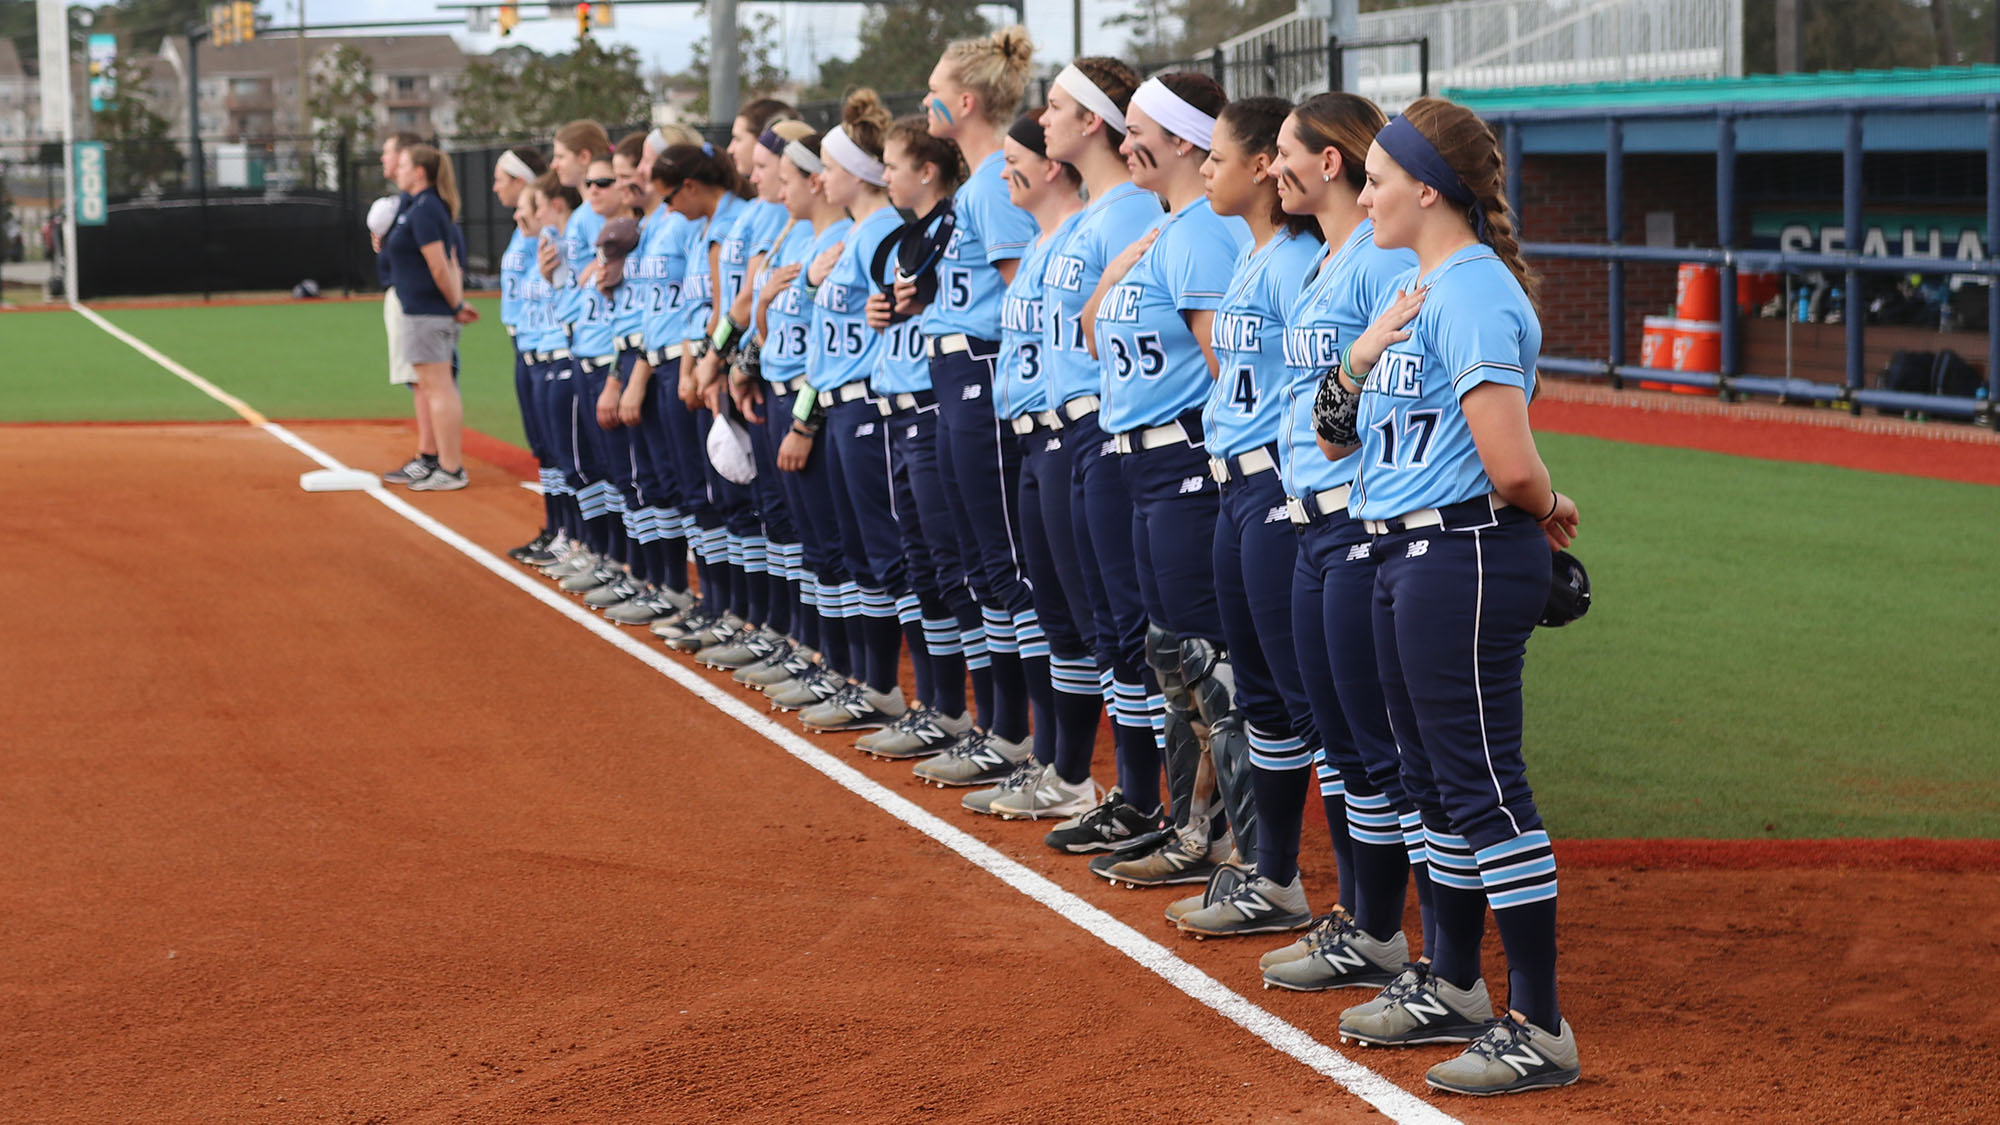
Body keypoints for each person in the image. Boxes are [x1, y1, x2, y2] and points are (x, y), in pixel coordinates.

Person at [1324, 96, 1581, 1096]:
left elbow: (1510, 468)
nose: (1367, 190)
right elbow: (1333, 437)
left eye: (1379, 175)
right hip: (1402, 553)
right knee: (1431, 784)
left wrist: (1549, 502)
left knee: (1478, 786)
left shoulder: (1471, 291)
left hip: (1461, 555)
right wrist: (1356, 354)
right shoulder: (1412, 287)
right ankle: (1450, 979)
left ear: (1426, 188)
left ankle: (1539, 1023)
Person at [1255, 93, 1424, 993]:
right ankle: (1364, 924)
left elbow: (1384, 395)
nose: (1273, 166)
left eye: (1286, 151)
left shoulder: (1369, 262)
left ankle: (1380, 932)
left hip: (1357, 520)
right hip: (1310, 520)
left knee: (1371, 742)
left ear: (1331, 163)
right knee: (1343, 743)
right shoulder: (1328, 258)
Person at [1080, 73, 1247, 889]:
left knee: (1205, 658)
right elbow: (1093, 339)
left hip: (1185, 458)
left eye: (1139, 127)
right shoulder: (1167, 228)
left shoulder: (1202, 234)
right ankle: (1191, 824)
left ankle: (1233, 844)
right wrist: (1115, 273)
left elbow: (1229, 372)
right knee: (1169, 654)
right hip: (1140, 460)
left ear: (1185, 139)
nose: (1123, 140)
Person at [1169, 95, 1328, 938]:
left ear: (1265, 165)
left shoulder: (1301, 259)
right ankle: (1273, 875)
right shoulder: (1255, 253)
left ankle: (1350, 904)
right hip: (1234, 486)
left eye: (1219, 156)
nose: (1204, 168)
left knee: (1302, 698)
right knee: (1261, 694)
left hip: (1274, 486)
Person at [900, 26, 1049, 792]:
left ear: (963, 102)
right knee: (981, 562)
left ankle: (1024, 737)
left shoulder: (995, 181)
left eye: (933, 87)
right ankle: (1003, 728)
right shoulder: (979, 181)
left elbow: (1026, 292)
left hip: (985, 373)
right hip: (954, 368)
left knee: (1004, 563)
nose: (923, 98)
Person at [1031, 57, 1172, 855]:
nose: (1043, 117)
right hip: (1073, 425)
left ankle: (1152, 797)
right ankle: (1134, 791)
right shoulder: (1091, 212)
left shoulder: (1125, 213)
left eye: (1056, 106)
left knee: (1128, 622)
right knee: (1104, 624)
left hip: (1108, 427)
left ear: (1093, 120)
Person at [975, 111, 1101, 822]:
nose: (1005, 172)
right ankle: (1063, 770)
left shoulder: (1079, 232)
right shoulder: (1041, 240)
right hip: (1030, 436)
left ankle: (1088, 777)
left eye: (1016, 158)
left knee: (1087, 616)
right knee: (1054, 612)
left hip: (1066, 433)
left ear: (1053, 166)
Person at [851, 117, 982, 760]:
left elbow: (963, 306)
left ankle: (969, 715)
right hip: (901, 406)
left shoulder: (952, 226)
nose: (887, 175)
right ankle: (939, 705)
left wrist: (915, 306)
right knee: (924, 566)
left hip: (933, 407)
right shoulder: (913, 234)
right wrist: (885, 310)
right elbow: (908, 304)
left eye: (895, 165)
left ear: (926, 171)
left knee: (952, 566)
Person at [792, 90, 919, 736]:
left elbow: (891, 318)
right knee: (861, 551)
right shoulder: (853, 234)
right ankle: (868, 682)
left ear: (861, 174)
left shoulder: (883, 234)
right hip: (838, 405)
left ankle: (888, 689)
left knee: (884, 553)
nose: (822, 177)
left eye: (830, 166)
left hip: (870, 403)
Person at [757, 126, 859, 711]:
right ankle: (820, 656)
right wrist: (765, 305)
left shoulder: (841, 239)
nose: (792, 188)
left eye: (796, 177)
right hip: (782, 394)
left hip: (812, 405)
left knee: (830, 543)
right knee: (806, 539)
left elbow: (827, 352)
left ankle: (843, 668)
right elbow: (779, 338)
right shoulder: (796, 237)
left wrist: (802, 423)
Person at [384, 142, 476, 492]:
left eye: (404, 164)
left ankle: (450, 467)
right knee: (435, 386)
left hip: (428, 312)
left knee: (438, 388)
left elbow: (441, 263)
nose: (399, 171)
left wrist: (454, 305)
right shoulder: (424, 206)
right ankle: (445, 465)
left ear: (419, 171)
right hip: (423, 311)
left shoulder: (425, 208)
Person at [493, 145, 555, 558]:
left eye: (500, 179)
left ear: (520, 181)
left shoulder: (541, 226)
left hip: (547, 343)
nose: (495, 187)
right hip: (525, 340)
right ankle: (557, 529)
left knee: (558, 446)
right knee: (543, 444)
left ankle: (570, 535)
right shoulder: (523, 227)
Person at [374, 129, 432, 485]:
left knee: (424, 378)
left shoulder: (420, 205)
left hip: (417, 302)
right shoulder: (404, 203)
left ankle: (432, 455)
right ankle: (428, 453)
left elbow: (439, 258)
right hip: (407, 296)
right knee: (418, 379)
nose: (384, 159)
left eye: (389, 152)